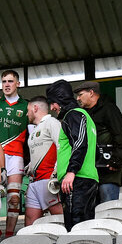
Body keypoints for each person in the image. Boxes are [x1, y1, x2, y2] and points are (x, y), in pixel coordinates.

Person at [46, 80, 98, 231]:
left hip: (76, 181)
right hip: (85, 179)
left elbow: (80, 143)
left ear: (61, 100)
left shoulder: (73, 115)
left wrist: (71, 172)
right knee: (85, 228)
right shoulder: (84, 117)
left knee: (75, 228)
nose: (52, 107)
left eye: (53, 102)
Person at [0, 70, 29, 237]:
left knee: (14, 197)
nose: (7, 85)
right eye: (4, 81)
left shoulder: (26, 106)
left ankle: (9, 233)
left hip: (16, 156)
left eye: (10, 81)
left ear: (18, 83)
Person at [75, 81, 122, 203]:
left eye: (80, 94)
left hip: (109, 172)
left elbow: (120, 135)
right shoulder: (83, 113)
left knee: (108, 209)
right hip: (90, 171)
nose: (78, 98)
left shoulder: (109, 109)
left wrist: (116, 161)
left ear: (91, 93)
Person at [24, 96, 63, 225]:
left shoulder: (52, 122)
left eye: (28, 110)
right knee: (30, 221)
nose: (26, 113)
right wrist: (30, 166)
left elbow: (61, 146)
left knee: (59, 218)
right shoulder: (35, 129)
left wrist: (56, 173)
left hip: (48, 180)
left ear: (35, 108)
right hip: (35, 181)